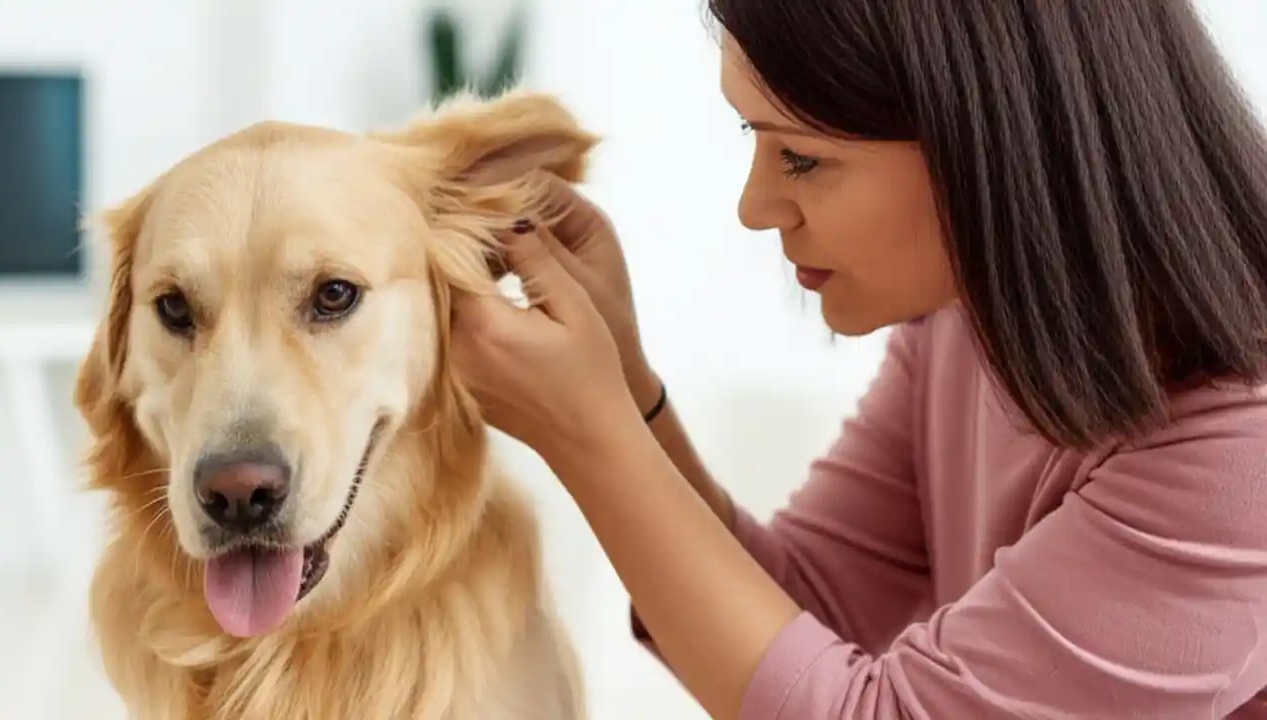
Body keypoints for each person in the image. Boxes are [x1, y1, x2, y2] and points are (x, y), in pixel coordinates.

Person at [449, 1, 1267, 718]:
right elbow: (810, 613)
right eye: (753, 138)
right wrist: (625, 391)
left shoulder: (1242, 450)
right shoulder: (967, 321)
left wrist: (590, 437)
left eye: (800, 156)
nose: (754, 208)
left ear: (989, 142)